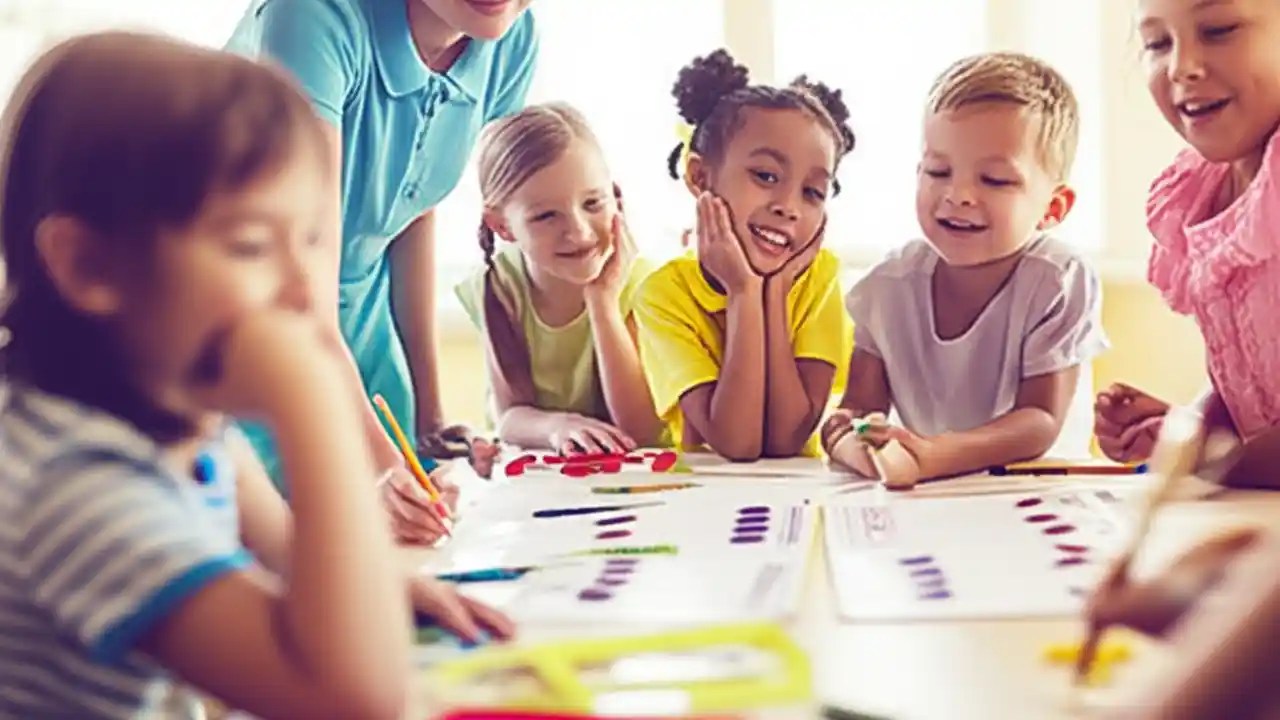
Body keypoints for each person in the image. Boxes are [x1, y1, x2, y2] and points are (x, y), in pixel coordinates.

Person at [0, 33, 511, 719]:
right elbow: (352, 700)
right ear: (90, 266)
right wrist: (312, 402)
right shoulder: (73, 484)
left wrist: (388, 588)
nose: (303, 290)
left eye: (309, 240)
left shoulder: (179, 421)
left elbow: (293, 555)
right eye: (250, 245)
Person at [224, 0, 538, 534]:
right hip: (254, 329)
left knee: (414, 536)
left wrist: (427, 420)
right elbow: (297, 278)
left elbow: (412, 205)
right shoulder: (311, 18)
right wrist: (381, 467)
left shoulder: (511, 36)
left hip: (364, 323)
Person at [822, 52, 1107, 488]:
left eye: (994, 180)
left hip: (1041, 493)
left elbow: (1040, 419)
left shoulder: (1058, 280)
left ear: (1053, 207)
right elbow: (858, 409)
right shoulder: (887, 287)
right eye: (938, 171)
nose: (957, 195)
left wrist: (934, 455)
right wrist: (853, 442)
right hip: (933, 496)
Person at [633, 49, 856, 462]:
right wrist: (743, 292)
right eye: (766, 176)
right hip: (708, 491)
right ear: (700, 177)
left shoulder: (820, 277)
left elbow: (786, 440)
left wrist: (776, 291)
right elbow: (737, 443)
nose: (789, 207)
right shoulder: (662, 295)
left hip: (797, 492)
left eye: (812, 192)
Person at [1094, 0, 1280, 490]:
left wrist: (1212, 459)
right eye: (1157, 43)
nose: (1181, 67)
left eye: (1218, 29)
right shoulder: (1204, 188)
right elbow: (1248, 366)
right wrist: (1192, 426)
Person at [455, 103, 662, 454]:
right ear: (502, 226)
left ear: (616, 200)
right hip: (546, 475)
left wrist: (602, 303)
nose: (578, 232)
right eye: (546, 216)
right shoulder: (500, 286)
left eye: (593, 204)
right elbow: (508, 416)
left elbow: (640, 432)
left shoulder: (646, 286)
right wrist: (555, 427)